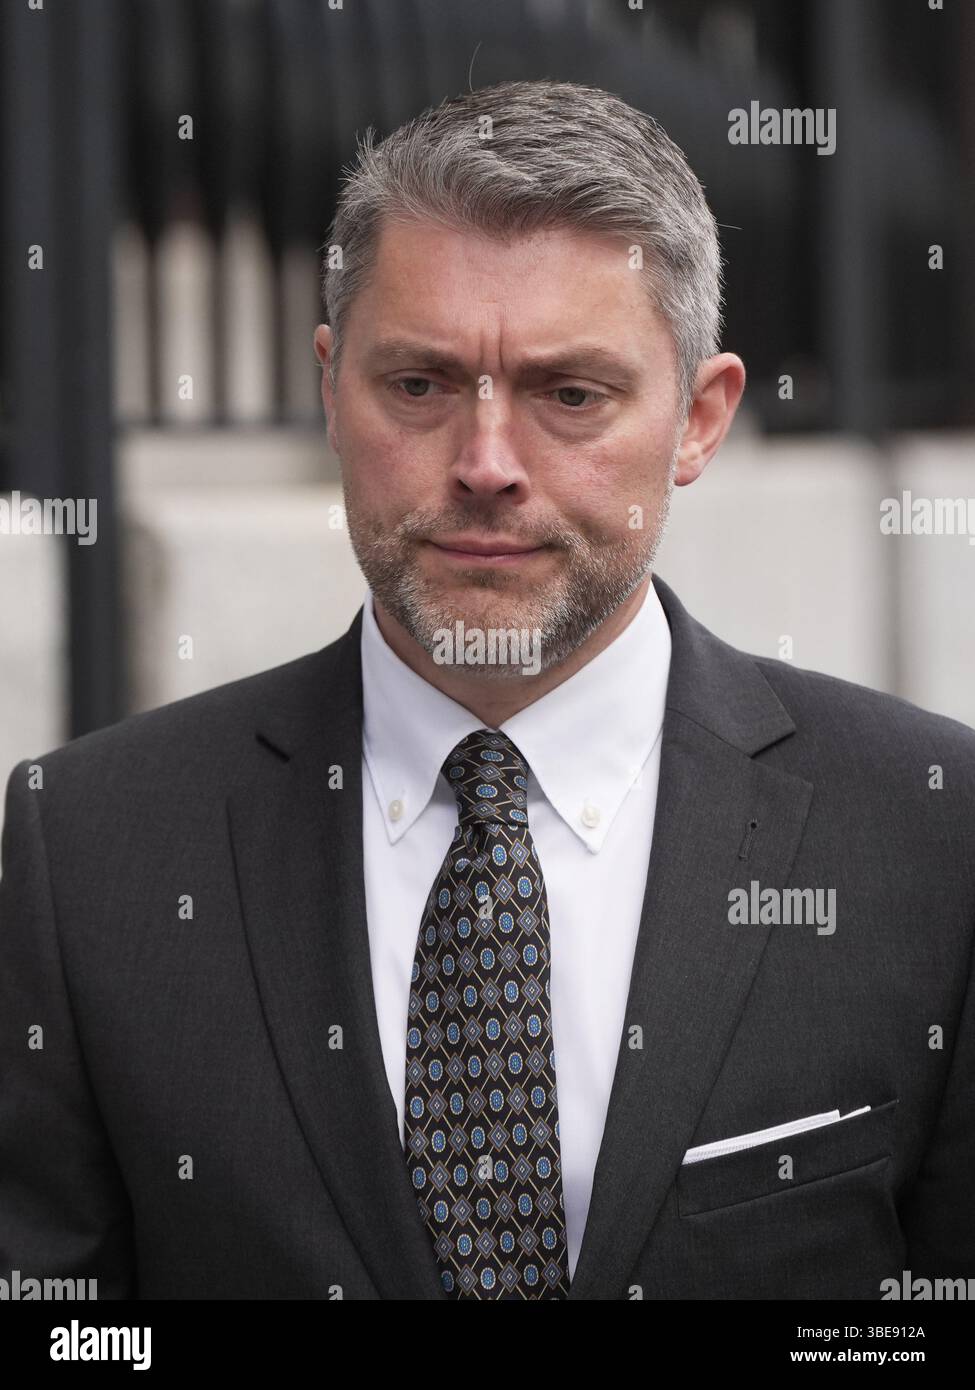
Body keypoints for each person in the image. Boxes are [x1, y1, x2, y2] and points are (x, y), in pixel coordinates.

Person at [1, 79, 973, 1301]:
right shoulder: (93, 846)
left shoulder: (932, 833)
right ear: (328, 385)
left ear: (701, 418)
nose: (486, 466)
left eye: (571, 395)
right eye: (418, 385)